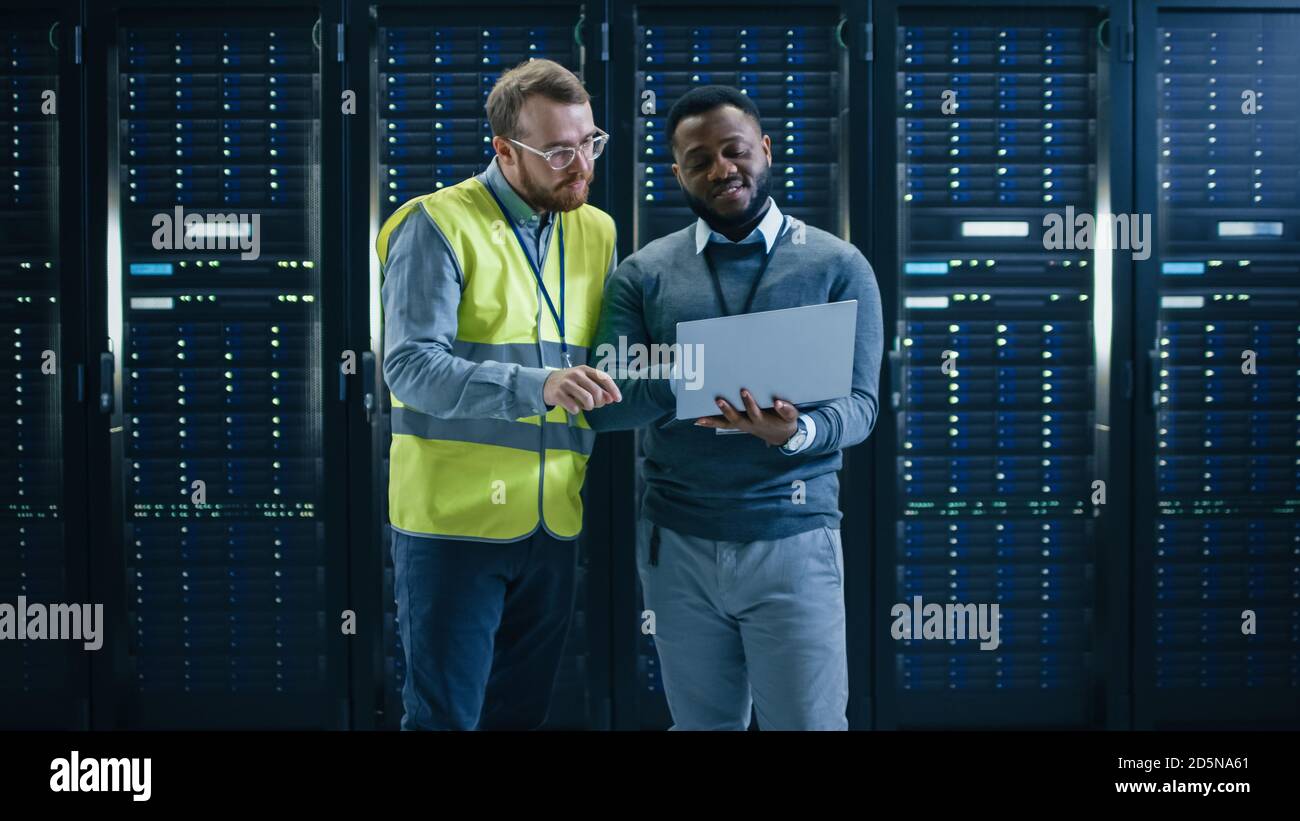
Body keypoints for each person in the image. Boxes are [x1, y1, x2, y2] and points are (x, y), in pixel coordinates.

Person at [585, 86, 883, 730]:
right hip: (677, 544)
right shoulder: (643, 274)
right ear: (677, 172)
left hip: (794, 539)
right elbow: (604, 408)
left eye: (735, 150)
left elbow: (862, 406)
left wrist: (798, 430)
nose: (722, 169)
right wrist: (695, 372)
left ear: (765, 150)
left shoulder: (838, 265)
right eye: (699, 159)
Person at [376, 59, 621, 730]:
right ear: (506, 151)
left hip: (551, 518)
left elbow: (611, 357)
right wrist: (535, 385)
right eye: (561, 152)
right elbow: (411, 367)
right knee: (445, 719)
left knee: (520, 716)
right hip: (453, 525)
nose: (582, 167)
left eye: (590, 142)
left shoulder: (595, 230)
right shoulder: (435, 224)